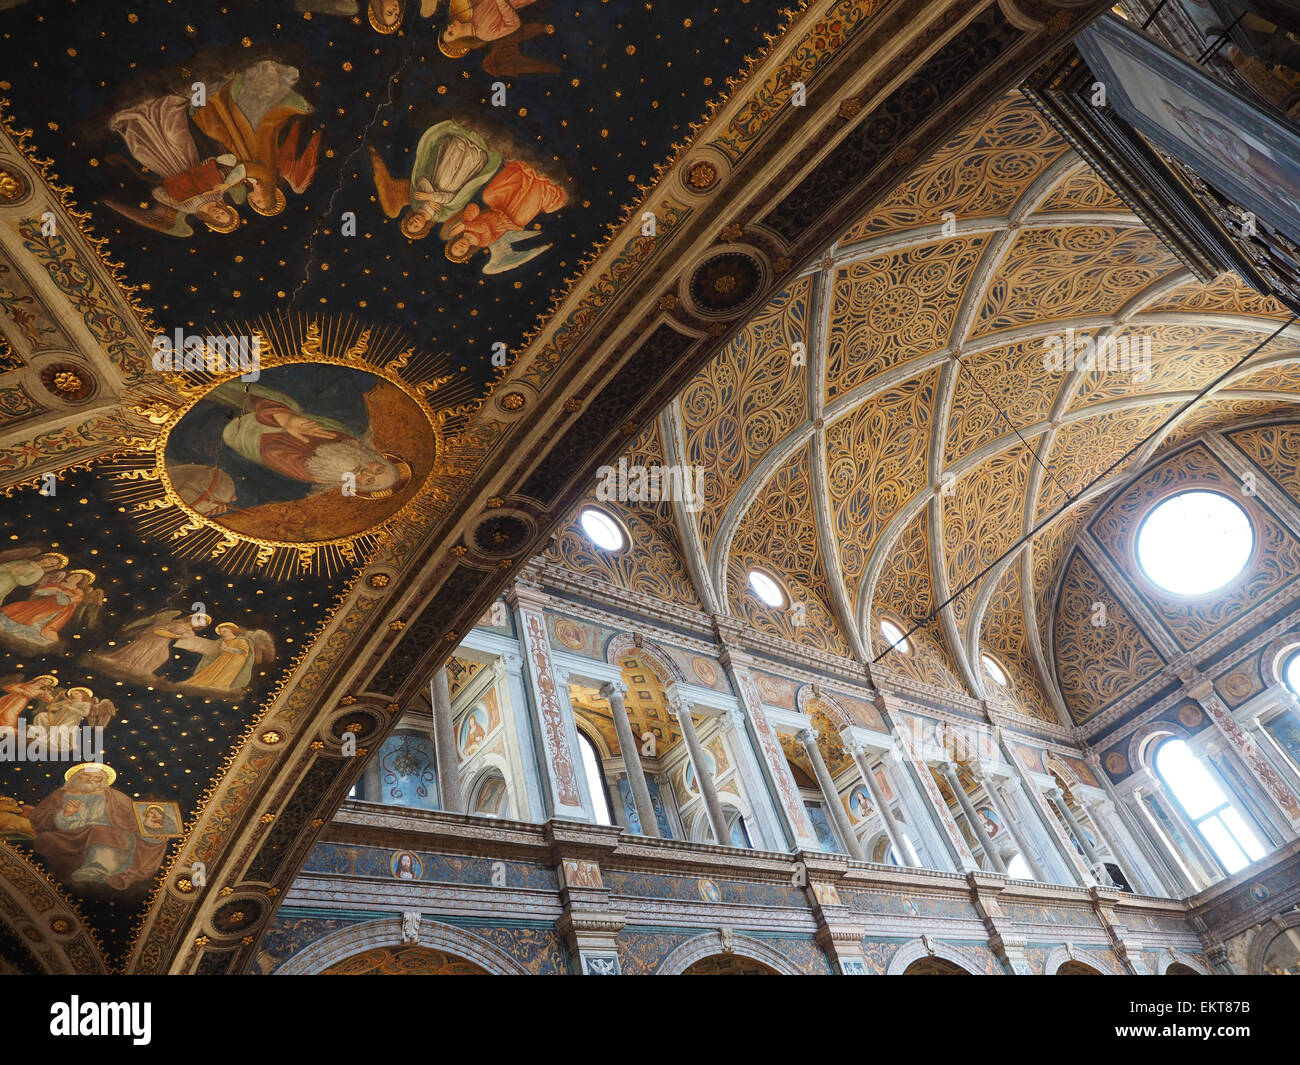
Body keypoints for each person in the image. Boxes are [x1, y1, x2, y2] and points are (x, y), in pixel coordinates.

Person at [27, 763, 169, 892]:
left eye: (96, 778)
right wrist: (65, 814)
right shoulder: (60, 795)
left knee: (98, 831)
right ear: (76, 777)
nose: (90, 780)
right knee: (46, 839)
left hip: (109, 835)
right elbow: (38, 818)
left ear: (103, 781)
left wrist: (152, 833)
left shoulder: (116, 797)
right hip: (69, 835)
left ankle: (96, 870)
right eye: (86, 775)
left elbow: (135, 821)